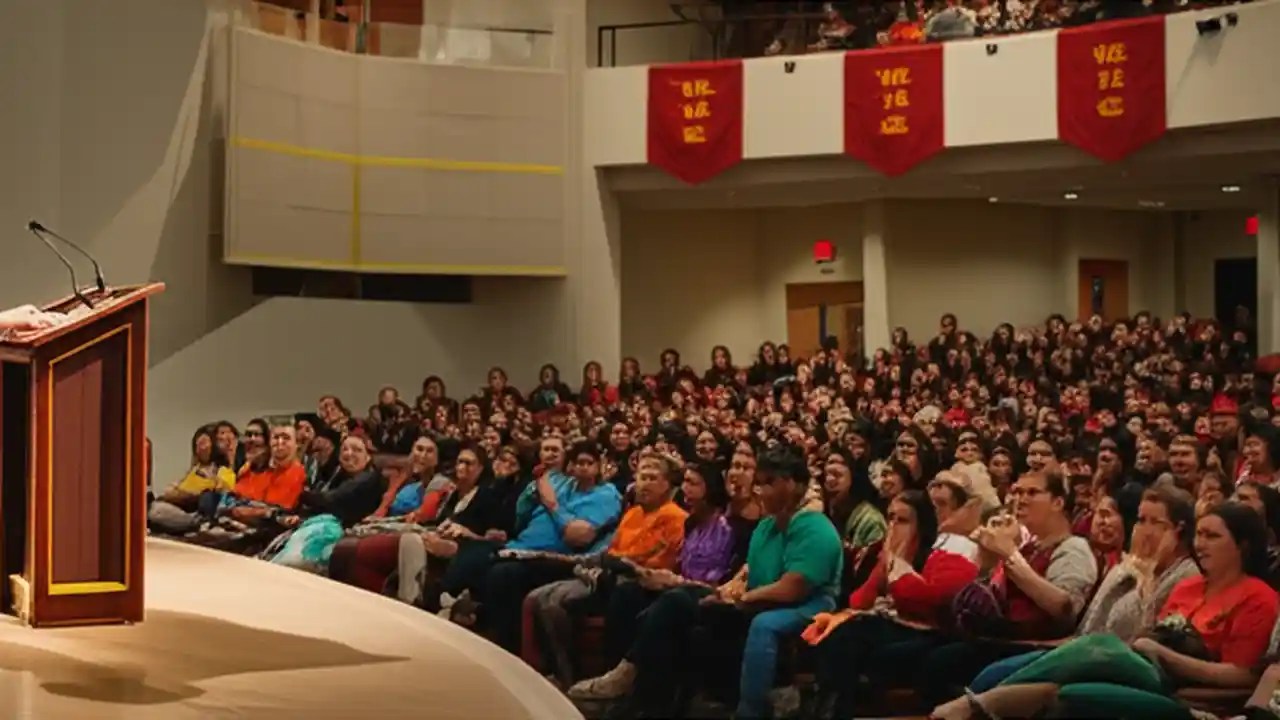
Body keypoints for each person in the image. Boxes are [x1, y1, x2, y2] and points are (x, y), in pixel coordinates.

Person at [932, 502, 1279, 720]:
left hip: (1179, 685)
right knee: (1052, 687)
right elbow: (1146, 633)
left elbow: (1240, 676)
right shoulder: (1188, 587)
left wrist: (1164, 655)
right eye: (1199, 535)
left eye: (1212, 536)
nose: (1200, 544)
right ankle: (983, 702)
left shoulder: (1258, 598)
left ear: (1243, 544)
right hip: (1145, 666)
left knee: (1099, 649)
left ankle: (978, 705)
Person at [571, 448, 843, 719]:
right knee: (673, 601)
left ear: (795, 485)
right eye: (759, 483)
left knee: (680, 606)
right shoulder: (766, 527)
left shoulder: (813, 526)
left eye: (769, 483)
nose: (761, 490)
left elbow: (794, 587)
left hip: (799, 605)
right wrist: (724, 593)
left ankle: (638, 687)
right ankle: (645, 699)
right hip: (757, 601)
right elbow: (747, 574)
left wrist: (742, 598)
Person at [806, 490, 979, 718]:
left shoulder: (947, 559)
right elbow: (859, 601)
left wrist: (897, 565)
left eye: (903, 520)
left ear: (922, 525)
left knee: (852, 642)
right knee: (839, 636)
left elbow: (921, 601)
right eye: (890, 518)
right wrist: (884, 566)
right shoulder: (886, 559)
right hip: (893, 628)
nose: (893, 526)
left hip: (930, 634)